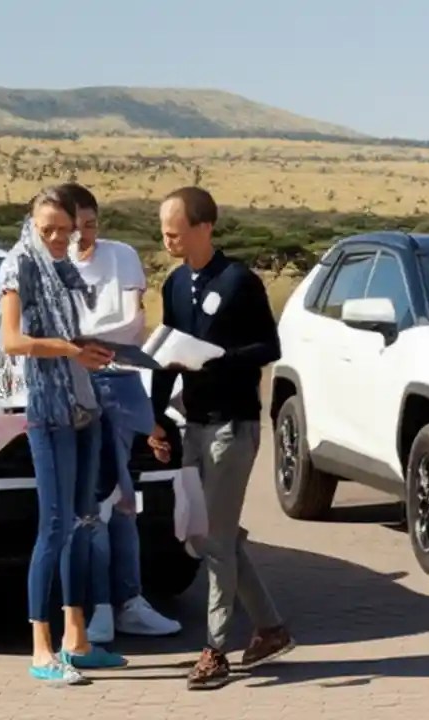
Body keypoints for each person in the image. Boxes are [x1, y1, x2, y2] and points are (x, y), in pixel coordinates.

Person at [147, 186, 296, 691]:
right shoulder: (173, 285)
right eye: (164, 230)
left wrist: (219, 359)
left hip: (234, 426)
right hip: (193, 423)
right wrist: (155, 420)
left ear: (204, 227)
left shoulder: (239, 282)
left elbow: (268, 346)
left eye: (175, 230)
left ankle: (215, 650)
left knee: (215, 541)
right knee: (208, 534)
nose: (167, 238)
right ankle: (271, 628)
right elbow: (167, 351)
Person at [0, 185, 128, 685]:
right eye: (46, 229)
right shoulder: (18, 267)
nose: (55, 238)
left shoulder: (64, 269)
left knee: (82, 522)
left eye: (64, 230)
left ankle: (77, 639)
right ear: (31, 223)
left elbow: (72, 337)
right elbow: (13, 340)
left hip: (82, 405)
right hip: (47, 410)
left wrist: (89, 350)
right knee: (52, 528)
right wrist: (72, 351)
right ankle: (41, 647)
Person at [56, 182, 183, 644]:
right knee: (95, 504)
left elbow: (133, 324)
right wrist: (84, 346)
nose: (83, 237)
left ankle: (127, 602)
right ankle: (101, 606)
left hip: (118, 382)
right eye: (75, 228)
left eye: (90, 225)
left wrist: (79, 342)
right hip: (73, 388)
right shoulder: (49, 263)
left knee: (123, 502)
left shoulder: (121, 256)